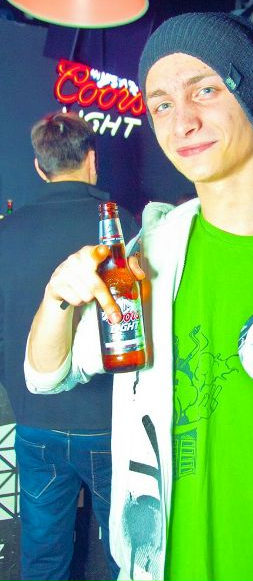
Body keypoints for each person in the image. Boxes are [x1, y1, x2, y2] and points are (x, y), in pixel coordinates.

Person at [24, 14, 253, 581]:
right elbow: (48, 374)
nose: (183, 121)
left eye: (205, 90)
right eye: (161, 104)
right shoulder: (147, 255)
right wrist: (58, 297)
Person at [0, 111, 138, 581]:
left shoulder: (5, 232)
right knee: (128, 555)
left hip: (35, 422)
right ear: (92, 160)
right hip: (109, 425)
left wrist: (20, 392)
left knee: (42, 557)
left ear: (40, 168)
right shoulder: (123, 226)